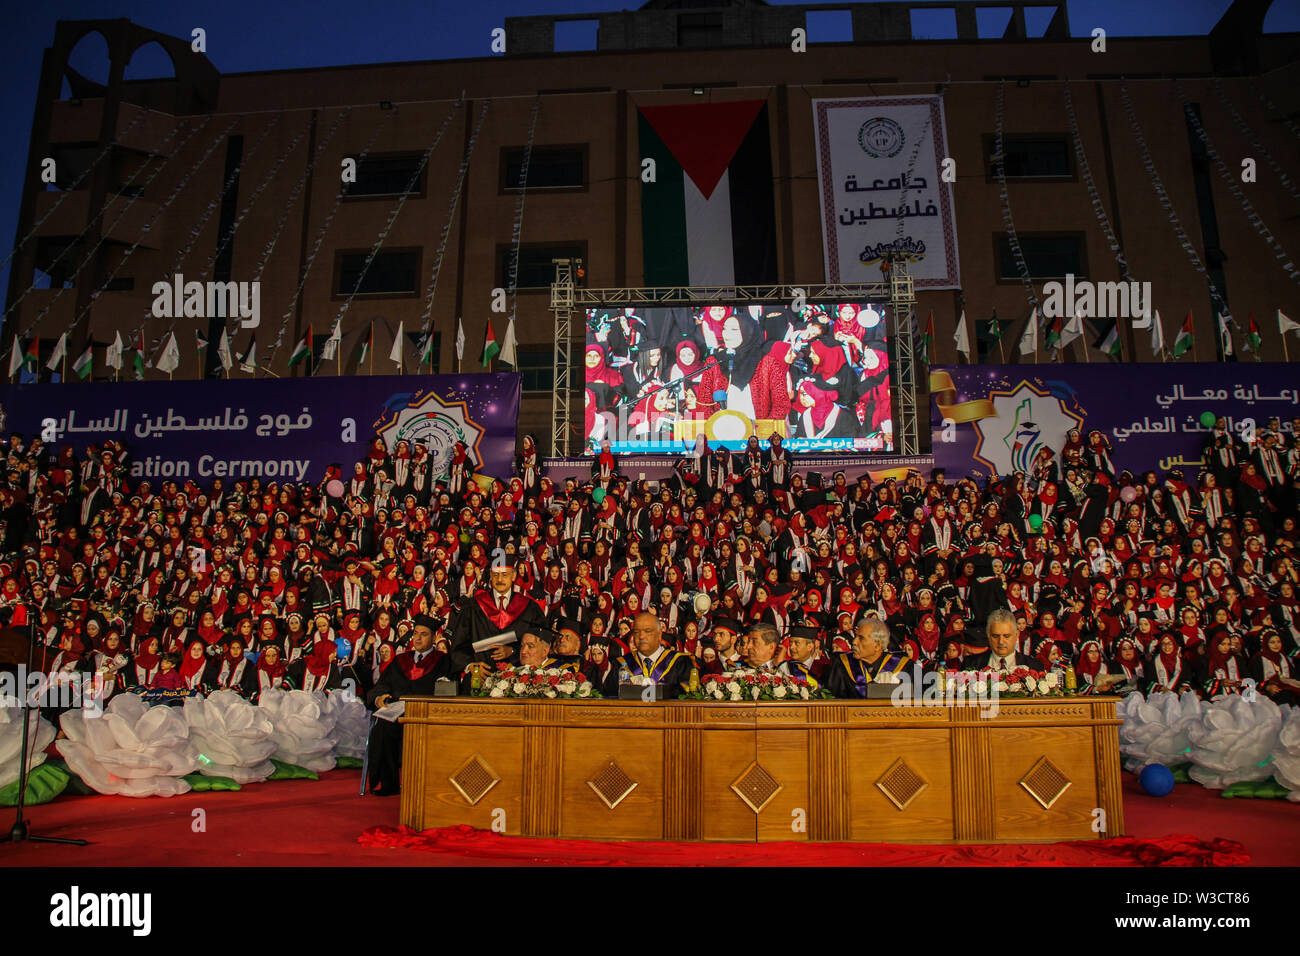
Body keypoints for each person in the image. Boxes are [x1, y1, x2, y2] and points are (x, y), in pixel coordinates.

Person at [365, 615, 452, 796]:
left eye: (424, 634)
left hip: (426, 716)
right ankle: (388, 784)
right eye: (416, 634)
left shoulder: (443, 661)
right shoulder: (400, 661)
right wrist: (379, 698)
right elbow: (381, 686)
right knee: (382, 729)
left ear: (434, 638)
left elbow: (448, 690)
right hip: (396, 715)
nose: (418, 638)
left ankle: (425, 785)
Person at [448, 564, 547, 675]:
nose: (500, 579)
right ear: (490, 575)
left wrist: (513, 650)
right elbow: (458, 646)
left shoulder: (530, 607)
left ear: (513, 575)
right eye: (495, 575)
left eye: (505, 575)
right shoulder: (472, 606)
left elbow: (542, 644)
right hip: (479, 678)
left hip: (520, 679)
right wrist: (471, 666)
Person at [613, 612, 696, 698]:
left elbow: (687, 696)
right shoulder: (621, 664)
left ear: (659, 635)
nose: (641, 636)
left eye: (647, 631)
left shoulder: (680, 662)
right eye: (637, 632)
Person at [824, 617, 909, 698]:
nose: (854, 642)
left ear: (877, 645)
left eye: (861, 638)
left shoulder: (904, 667)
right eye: (855, 636)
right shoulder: (841, 665)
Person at [961, 608, 1038, 672]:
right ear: (988, 635)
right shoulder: (970, 664)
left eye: (1006, 636)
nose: (1001, 641)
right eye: (995, 636)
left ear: (1017, 635)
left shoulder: (1033, 666)